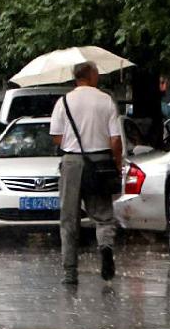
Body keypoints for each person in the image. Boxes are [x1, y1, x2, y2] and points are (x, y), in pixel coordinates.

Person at [50, 60, 124, 282]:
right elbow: (116, 140)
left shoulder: (63, 102)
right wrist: (116, 164)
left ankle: (70, 273)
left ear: (76, 77)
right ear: (91, 76)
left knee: (69, 219)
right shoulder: (105, 101)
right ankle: (105, 247)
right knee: (103, 216)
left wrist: (73, 141)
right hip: (100, 161)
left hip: (72, 163)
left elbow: (55, 136)